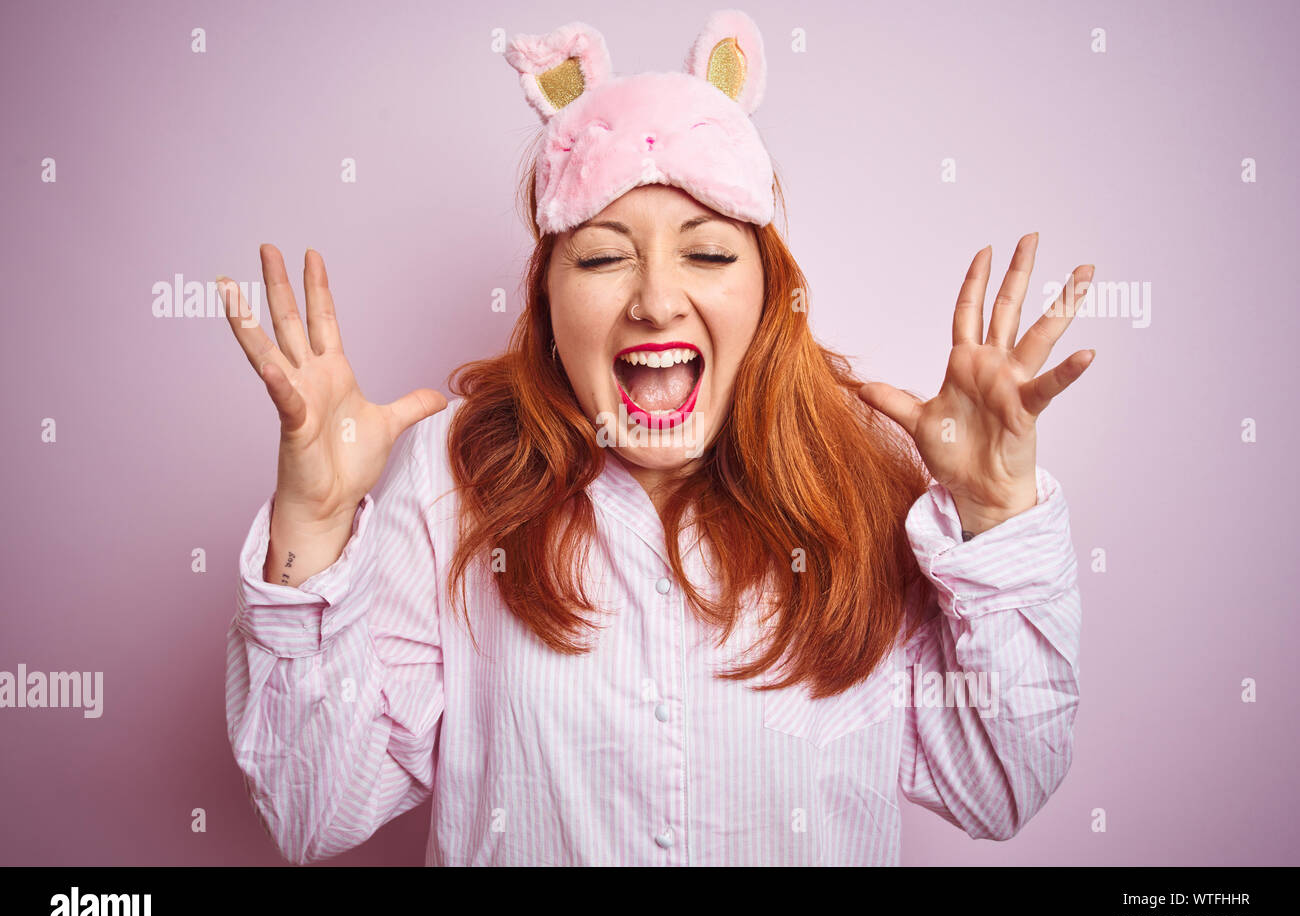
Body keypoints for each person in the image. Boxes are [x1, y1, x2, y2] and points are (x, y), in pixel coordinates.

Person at [218, 9, 1091, 866]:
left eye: (708, 254)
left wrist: (994, 518)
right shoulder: (449, 478)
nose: (657, 299)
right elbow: (312, 809)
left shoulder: (863, 478)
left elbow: (1000, 784)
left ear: (767, 292)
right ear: (549, 302)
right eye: (602, 257)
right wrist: (314, 527)